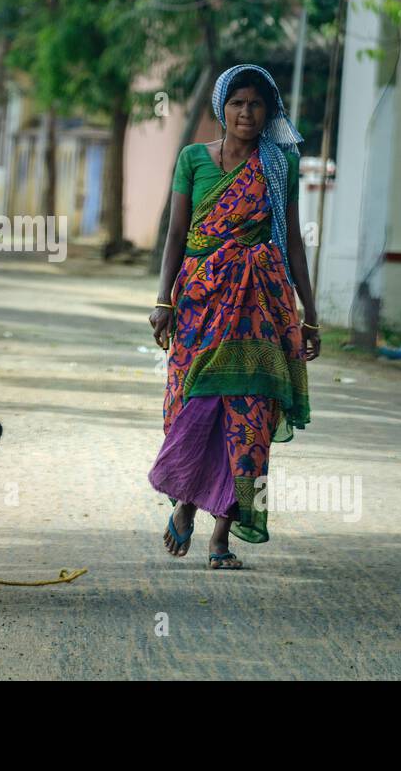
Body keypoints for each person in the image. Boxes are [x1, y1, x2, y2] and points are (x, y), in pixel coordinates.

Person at [148, 64, 320, 569]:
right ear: (222, 109)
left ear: (269, 112)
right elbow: (176, 235)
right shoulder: (193, 160)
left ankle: (221, 534)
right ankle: (185, 502)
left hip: (261, 305)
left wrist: (309, 312)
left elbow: (291, 240)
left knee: (252, 419)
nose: (247, 113)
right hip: (201, 304)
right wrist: (164, 301)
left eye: (257, 104)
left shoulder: (279, 165)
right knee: (195, 407)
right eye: (238, 103)